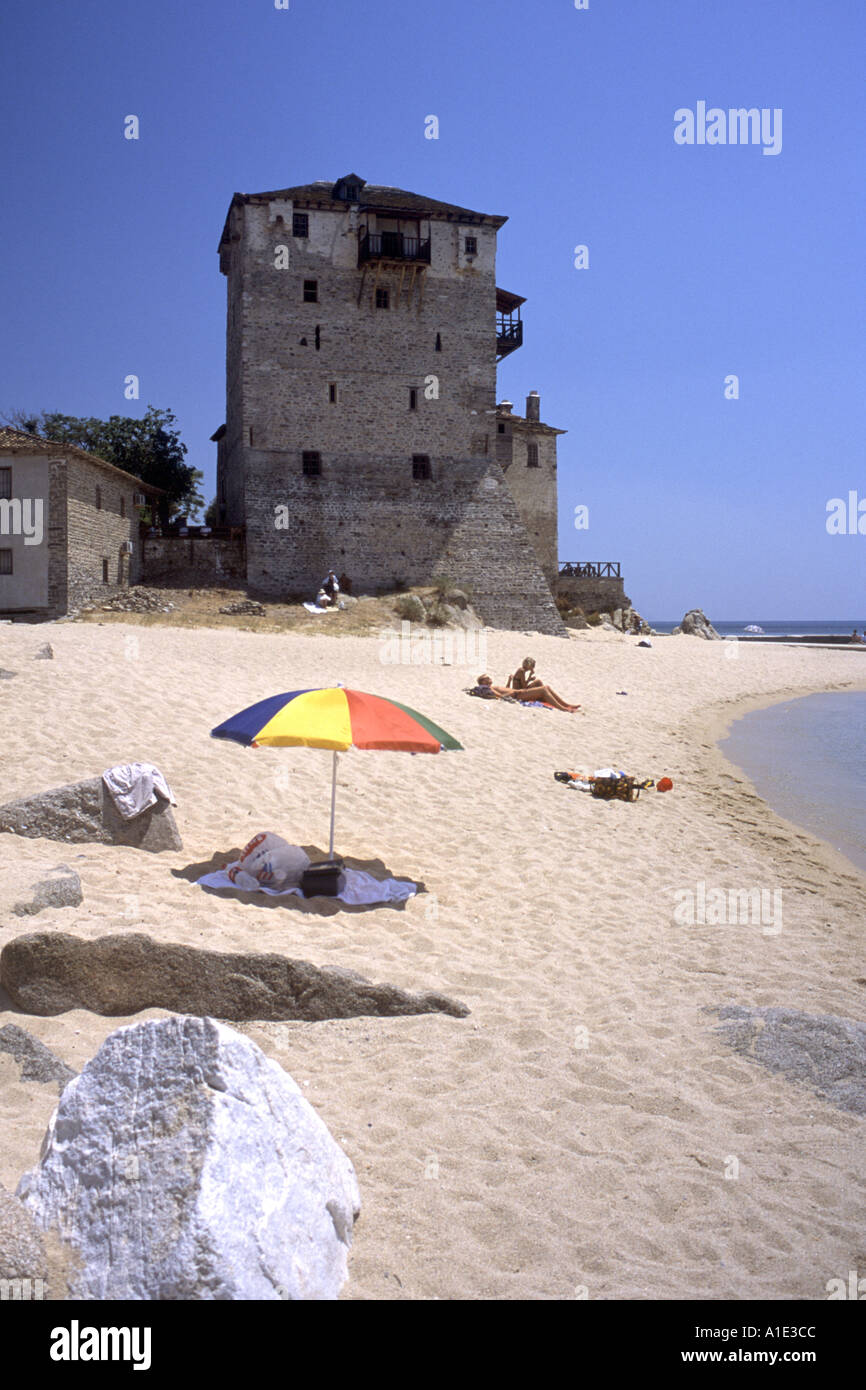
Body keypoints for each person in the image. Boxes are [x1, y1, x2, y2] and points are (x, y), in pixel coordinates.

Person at [506, 656, 580, 711]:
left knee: (539, 682)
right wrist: (530, 676)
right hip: (519, 694)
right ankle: (563, 708)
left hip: (520, 691)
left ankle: (565, 704)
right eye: (532, 666)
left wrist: (530, 679)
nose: (533, 668)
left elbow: (522, 684)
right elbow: (524, 687)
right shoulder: (521, 671)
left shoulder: (521, 670)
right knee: (544, 688)